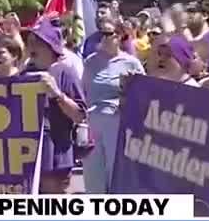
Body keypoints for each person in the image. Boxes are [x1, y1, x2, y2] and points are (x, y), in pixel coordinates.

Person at [82, 17, 145, 193]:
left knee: (115, 174)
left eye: (107, 33)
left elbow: (143, 94)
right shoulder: (90, 62)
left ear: (119, 36)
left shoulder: (131, 62)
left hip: (117, 121)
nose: (102, 38)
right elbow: (85, 92)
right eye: (100, 33)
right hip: (93, 121)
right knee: (93, 176)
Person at [24, 18, 86, 194]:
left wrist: (57, 94)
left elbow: (80, 115)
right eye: (30, 42)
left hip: (54, 156)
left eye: (38, 42)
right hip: (28, 156)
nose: (32, 47)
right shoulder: (25, 72)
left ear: (51, 46)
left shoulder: (65, 72)